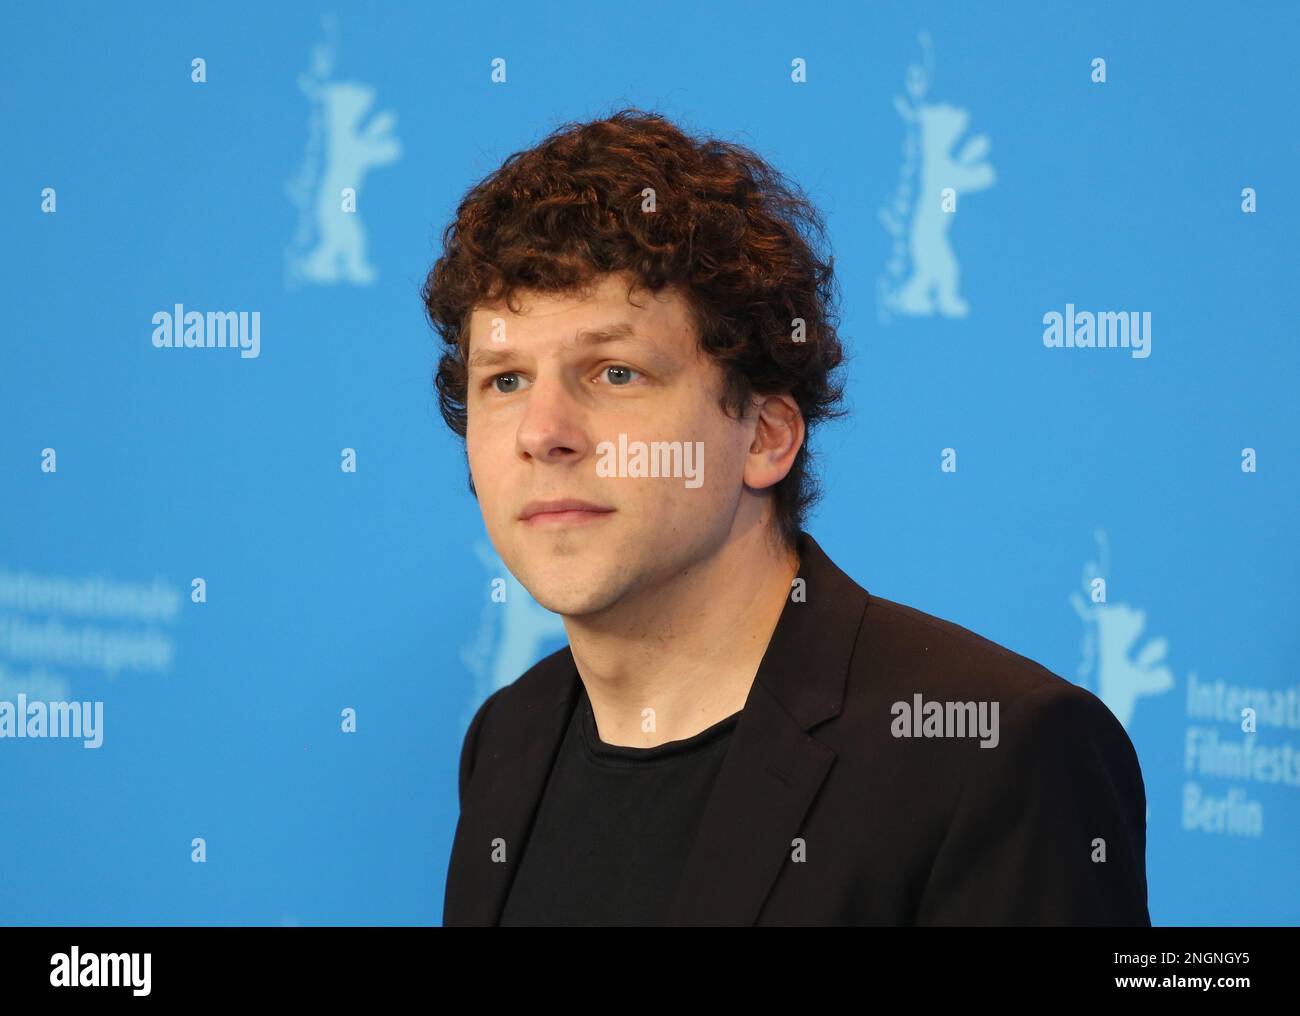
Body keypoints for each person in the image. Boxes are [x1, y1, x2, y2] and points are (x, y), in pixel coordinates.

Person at [423, 108, 1151, 926]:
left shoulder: (991, 752)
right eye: (506, 380)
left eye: (615, 372)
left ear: (765, 437)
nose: (543, 434)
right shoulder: (509, 739)